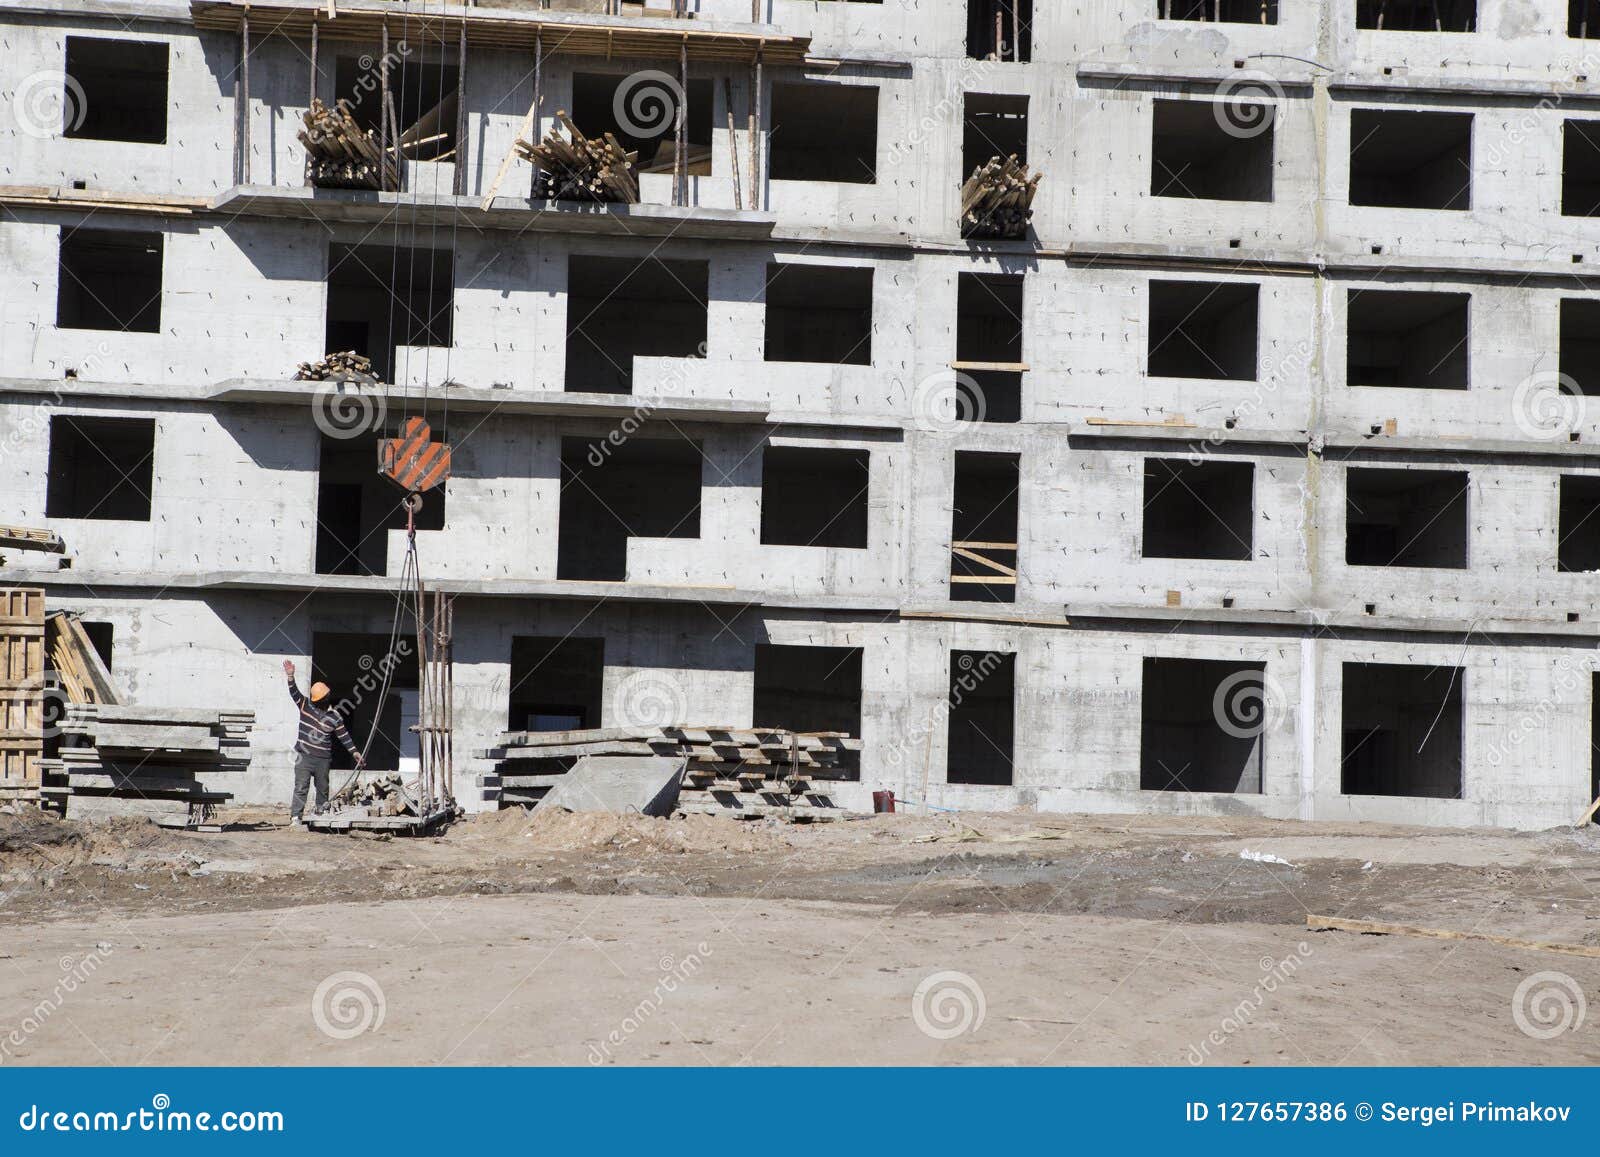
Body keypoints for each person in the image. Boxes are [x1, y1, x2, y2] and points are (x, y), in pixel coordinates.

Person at [282, 659, 364, 827]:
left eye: (322, 698)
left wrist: (355, 753)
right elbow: (294, 692)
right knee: (301, 787)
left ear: (327, 697)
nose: (320, 701)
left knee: (322, 788)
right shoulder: (305, 705)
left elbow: (344, 737)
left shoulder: (335, 717)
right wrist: (290, 676)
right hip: (304, 756)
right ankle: (296, 818)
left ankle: (320, 814)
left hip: (323, 759)